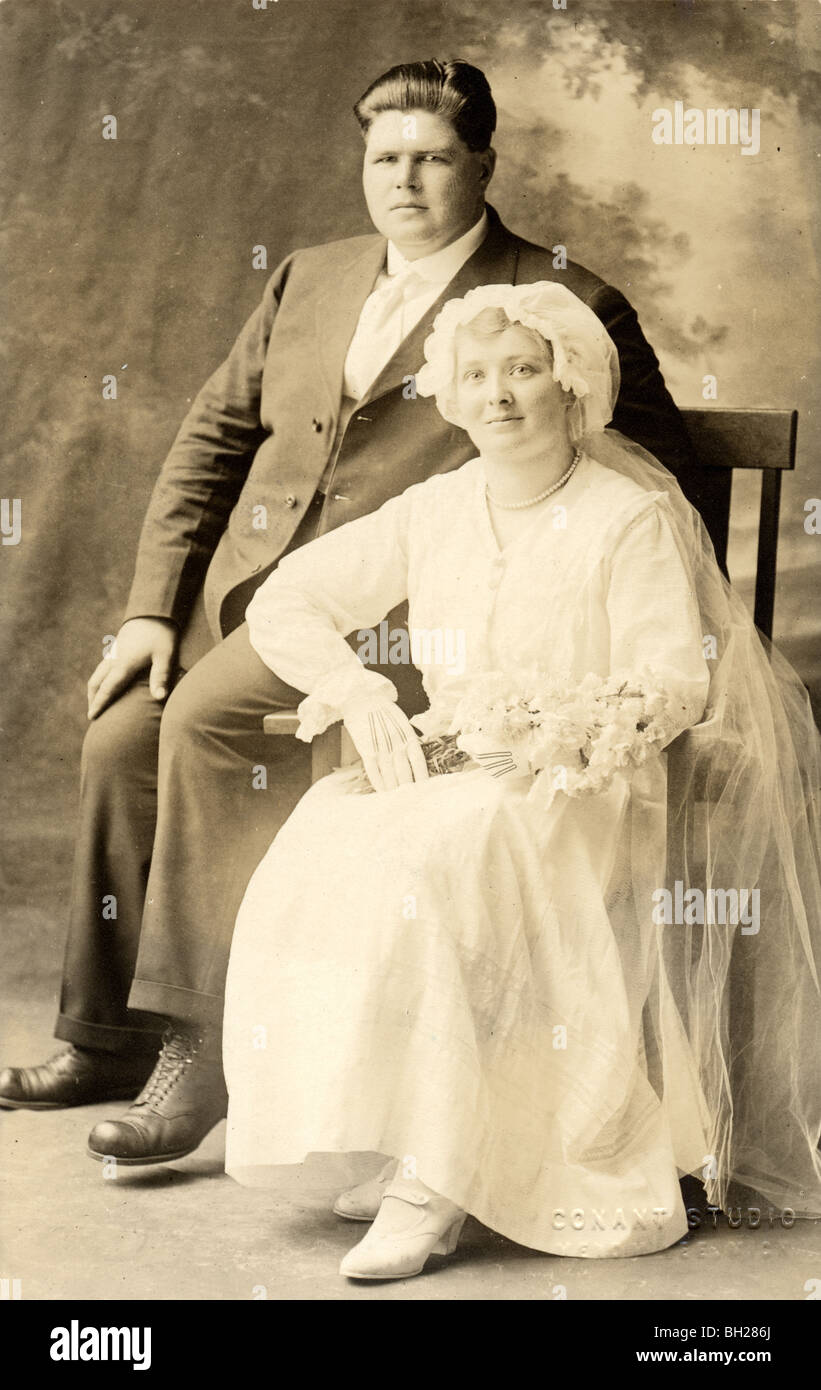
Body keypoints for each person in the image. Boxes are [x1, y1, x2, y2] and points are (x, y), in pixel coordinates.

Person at [1, 59, 709, 1168]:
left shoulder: (559, 294)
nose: (406, 182)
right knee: (120, 736)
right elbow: (210, 442)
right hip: (276, 600)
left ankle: (204, 1052)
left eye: (432, 158)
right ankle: (106, 1034)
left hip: (420, 623)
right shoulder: (306, 276)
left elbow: (656, 479)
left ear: (482, 163)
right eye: (386, 159)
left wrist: (543, 605)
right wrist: (151, 611)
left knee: (202, 725)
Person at [222, 282, 821, 1277]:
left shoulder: (621, 517)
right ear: (450, 398)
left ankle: (436, 1185)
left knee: (452, 851)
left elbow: (672, 679)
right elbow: (289, 597)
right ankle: (410, 1128)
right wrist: (354, 685)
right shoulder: (435, 507)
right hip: (453, 775)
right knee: (330, 836)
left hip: (586, 787)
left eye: (523, 370)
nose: (497, 395)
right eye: (475, 375)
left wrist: (557, 735)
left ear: (570, 383)